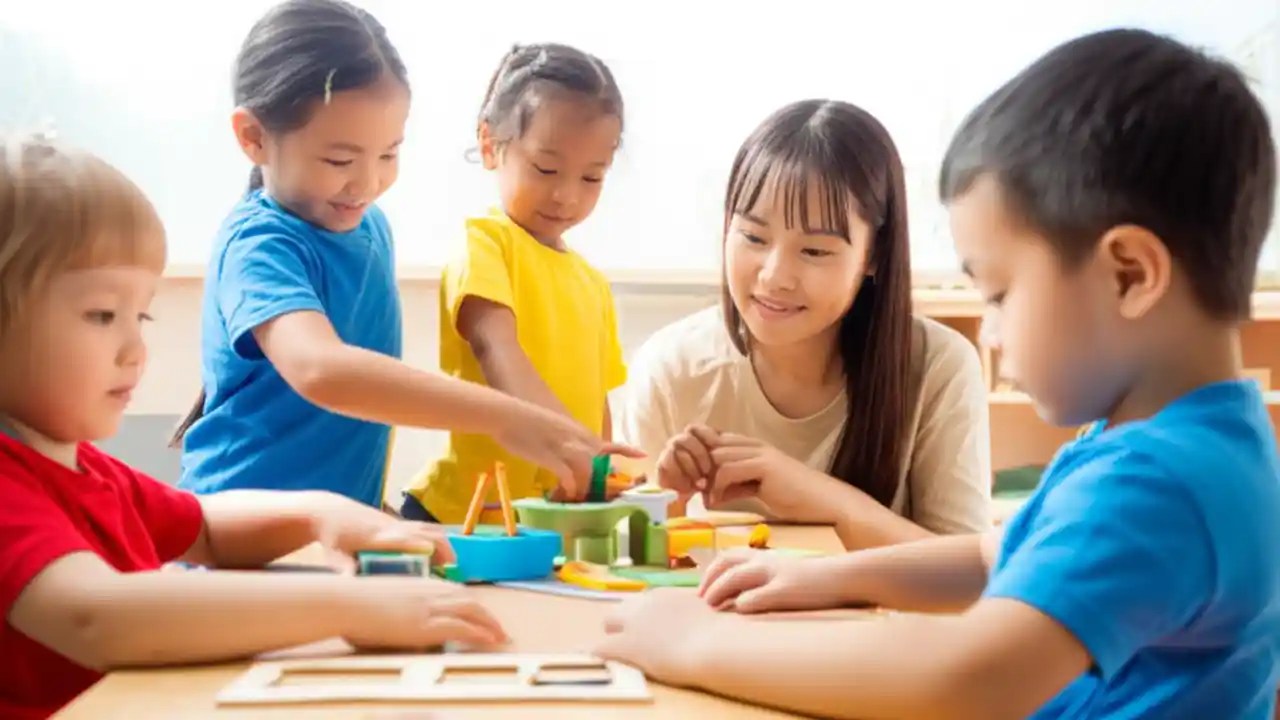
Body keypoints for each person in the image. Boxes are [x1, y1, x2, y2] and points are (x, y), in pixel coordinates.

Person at [596, 29, 1280, 719]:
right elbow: (989, 558)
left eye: (1001, 292)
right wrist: (822, 578)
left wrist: (694, 644)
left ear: (1128, 274)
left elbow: (966, 678)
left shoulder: (1158, 483)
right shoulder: (1188, 442)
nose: (990, 329)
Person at [0, 136, 508, 720]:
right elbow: (95, 615)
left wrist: (319, 512)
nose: (135, 348)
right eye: (100, 315)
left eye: (138, 315)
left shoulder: (86, 469)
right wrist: (345, 604)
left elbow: (207, 529)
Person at [173, 0, 629, 508]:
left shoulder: (370, 227)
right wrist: (507, 415)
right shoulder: (260, 244)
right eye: (340, 159)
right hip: (234, 539)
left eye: (389, 153)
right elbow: (322, 370)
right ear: (253, 137)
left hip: (332, 539)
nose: (368, 183)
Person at [616, 99, 991, 549]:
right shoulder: (672, 366)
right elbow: (629, 569)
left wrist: (812, 495)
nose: (774, 275)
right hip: (719, 620)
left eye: (814, 251)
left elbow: (970, 577)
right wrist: (667, 505)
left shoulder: (937, 366)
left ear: (873, 256)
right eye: (753, 237)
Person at [400, 43, 630, 523]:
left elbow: (597, 405)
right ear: (490, 144)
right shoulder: (486, 244)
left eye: (592, 177)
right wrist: (567, 441)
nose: (566, 195)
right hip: (460, 512)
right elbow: (497, 349)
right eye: (545, 169)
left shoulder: (592, 284)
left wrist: (599, 471)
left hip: (545, 519)